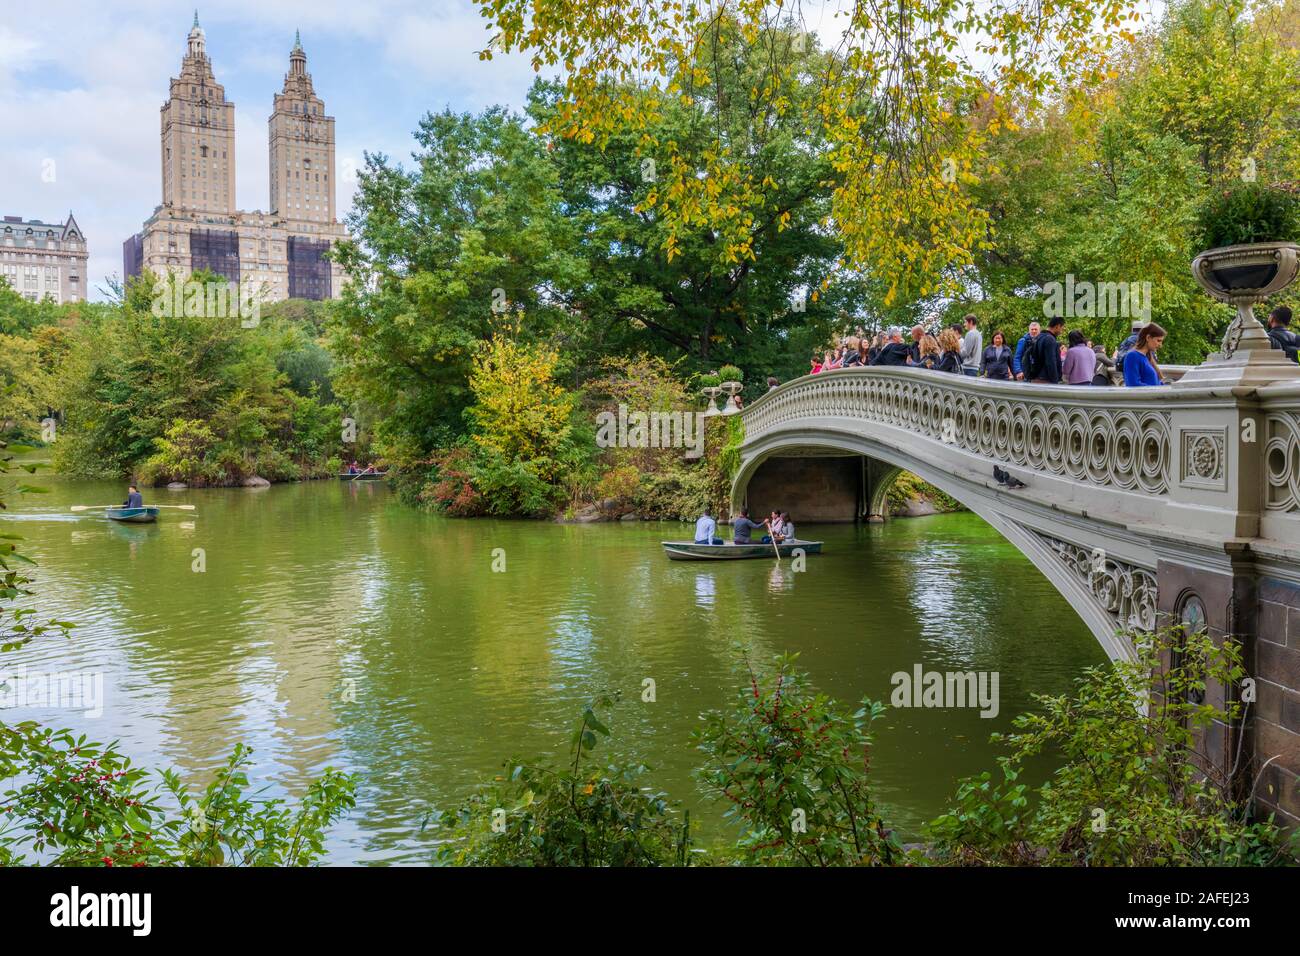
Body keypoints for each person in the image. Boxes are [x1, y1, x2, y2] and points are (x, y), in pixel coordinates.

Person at [1122, 322, 1166, 386]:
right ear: (1148, 338)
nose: (1160, 345)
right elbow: (1133, 385)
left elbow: (1153, 383)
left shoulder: (1146, 357)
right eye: (1158, 341)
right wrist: (1156, 390)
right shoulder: (1132, 356)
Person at [1026, 317, 1064, 384]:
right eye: (1062, 328)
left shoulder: (1039, 337)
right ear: (1057, 326)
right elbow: (1051, 362)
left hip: (1036, 377)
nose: (1062, 330)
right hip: (1045, 380)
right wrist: (1055, 382)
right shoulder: (1050, 339)